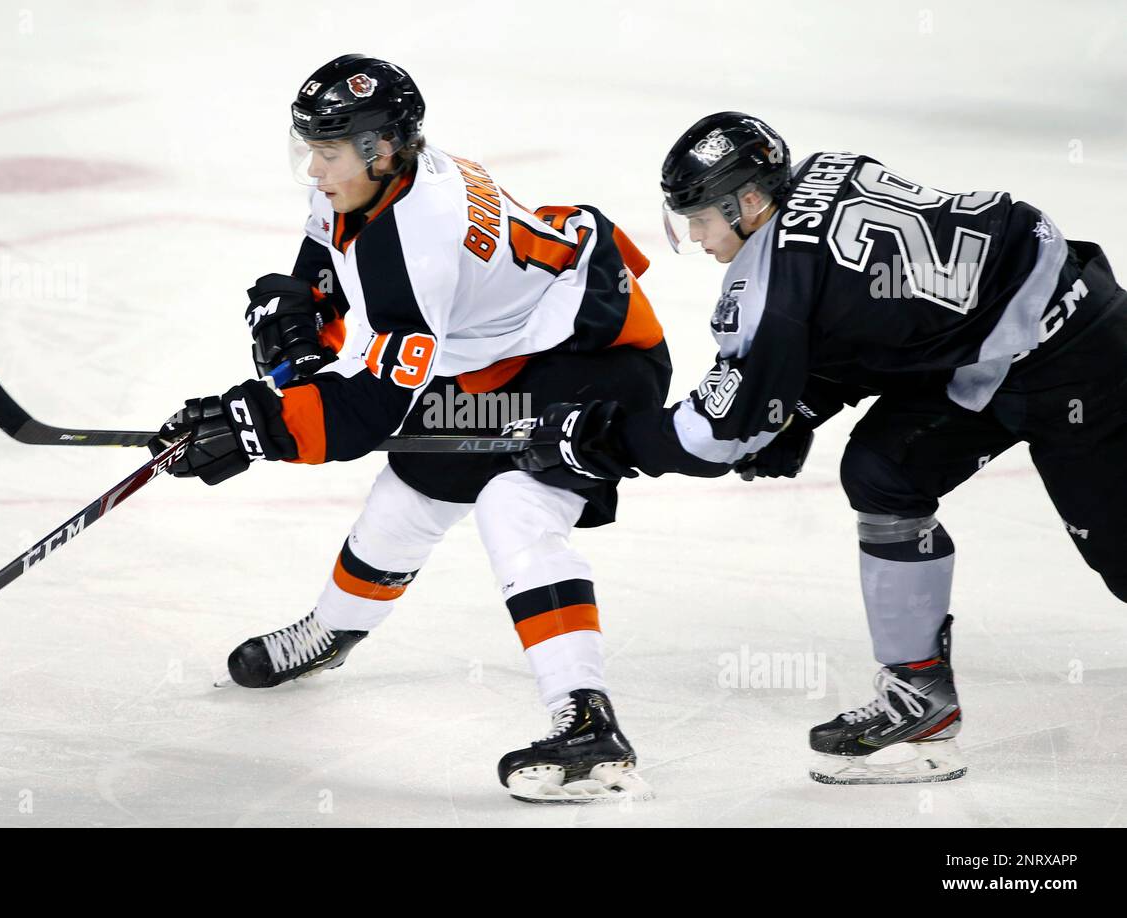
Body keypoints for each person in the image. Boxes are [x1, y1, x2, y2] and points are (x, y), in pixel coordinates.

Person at [513, 111, 1127, 784]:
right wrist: (801, 408)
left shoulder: (770, 287)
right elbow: (881, 318)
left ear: (749, 201)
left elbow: (713, 435)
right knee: (883, 471)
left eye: (701, 218)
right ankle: (920, 698)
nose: (695, 235)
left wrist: (591, 439)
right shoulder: (825, 169)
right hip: (1001, 340)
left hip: (1075, 356)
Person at [150, 54, 671, 802]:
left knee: (514, 506)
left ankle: (588, 724)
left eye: (326, 153)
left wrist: (257, 424)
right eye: (310, 150)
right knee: (414, 490)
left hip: (594, 363)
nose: (314, 171)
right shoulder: (368, 182)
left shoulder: (415, 239)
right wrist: (300, 327)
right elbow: (326, 270)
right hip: (503, 358)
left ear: (380, 149)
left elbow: (371, 410)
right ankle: (331, 633)